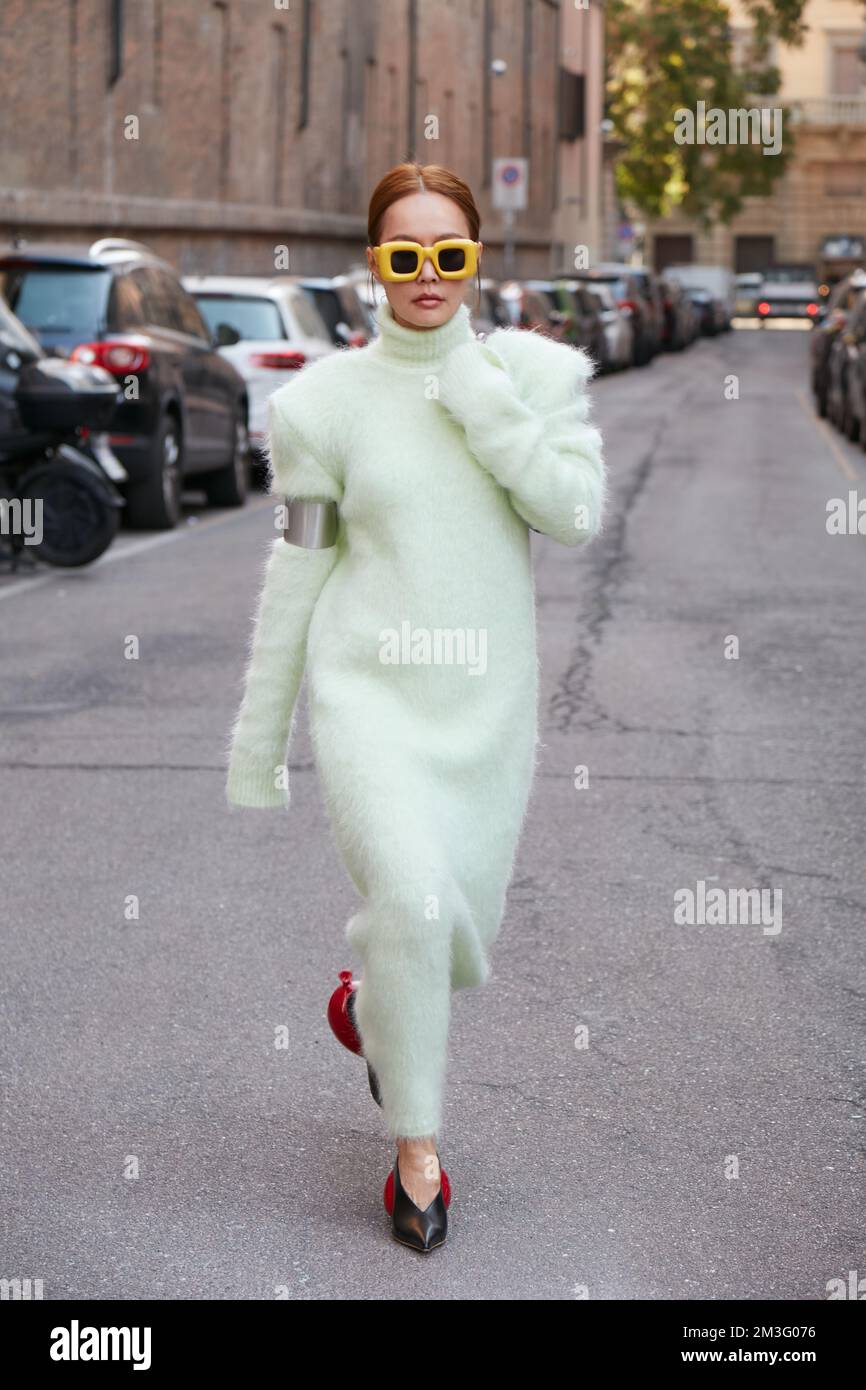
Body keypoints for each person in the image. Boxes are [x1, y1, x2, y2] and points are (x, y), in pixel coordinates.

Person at [225, 161, 607, 1252]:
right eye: (405, 256)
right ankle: (418, 1157)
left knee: (451, 936)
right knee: (412, 898)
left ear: (476, 258)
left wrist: (483, 401)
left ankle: (374, 1006)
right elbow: (298, 574)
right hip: (369, 702)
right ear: (374, 265)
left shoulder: (533, 376)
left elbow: (571, 511)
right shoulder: (321, 404)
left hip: (485, 712)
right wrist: (262, 741)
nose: (428, 276)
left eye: (450, 254)